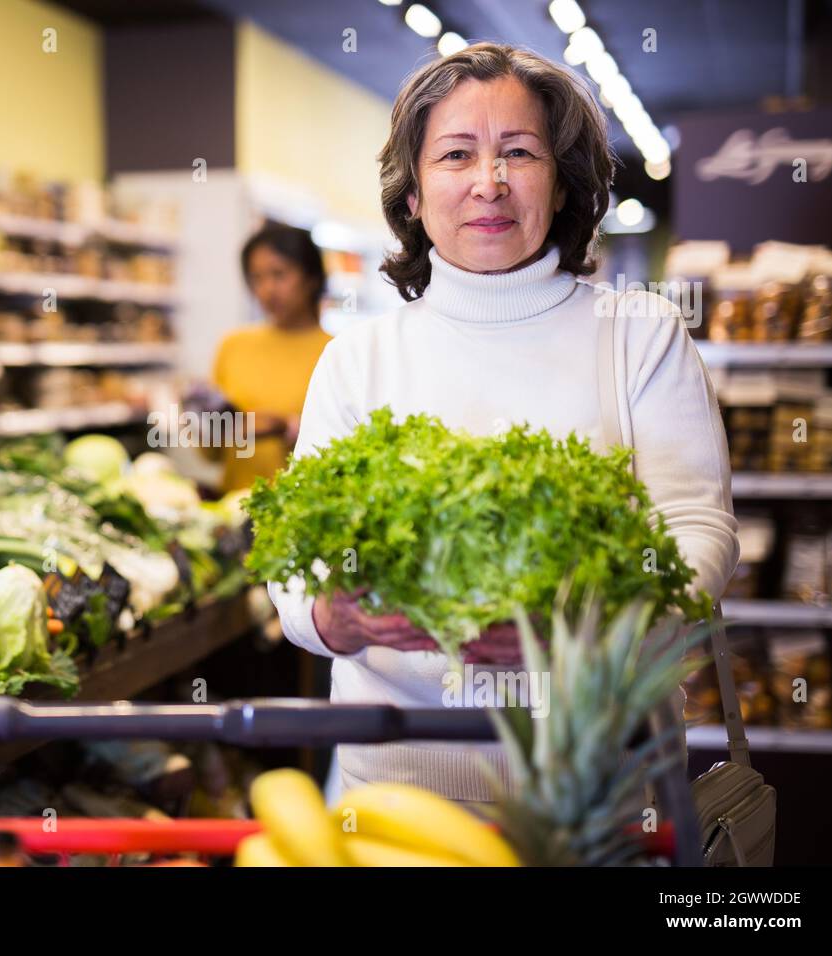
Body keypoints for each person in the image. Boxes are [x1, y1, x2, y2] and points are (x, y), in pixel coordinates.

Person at [267, 43, 741, 807]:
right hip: (395, 789)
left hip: (599, 784)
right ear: (414, 194)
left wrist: (581, 632)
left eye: (518, 153)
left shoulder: (640, 334)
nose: (489, 183)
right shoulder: (359, 358)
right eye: (456, 154)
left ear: (560, 185)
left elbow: (696, 535)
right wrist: (332, 617)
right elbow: (295, 562)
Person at [208, 224, 333, 493]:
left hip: (301, 512)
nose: (267, 290)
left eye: (279, 274)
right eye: (256, 278)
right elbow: (211, 454)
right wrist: (198, 420)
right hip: (233, 508)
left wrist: (286, 427)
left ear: (311, 277)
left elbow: (343, 448)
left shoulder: (336, 353)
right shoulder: (233, 345)